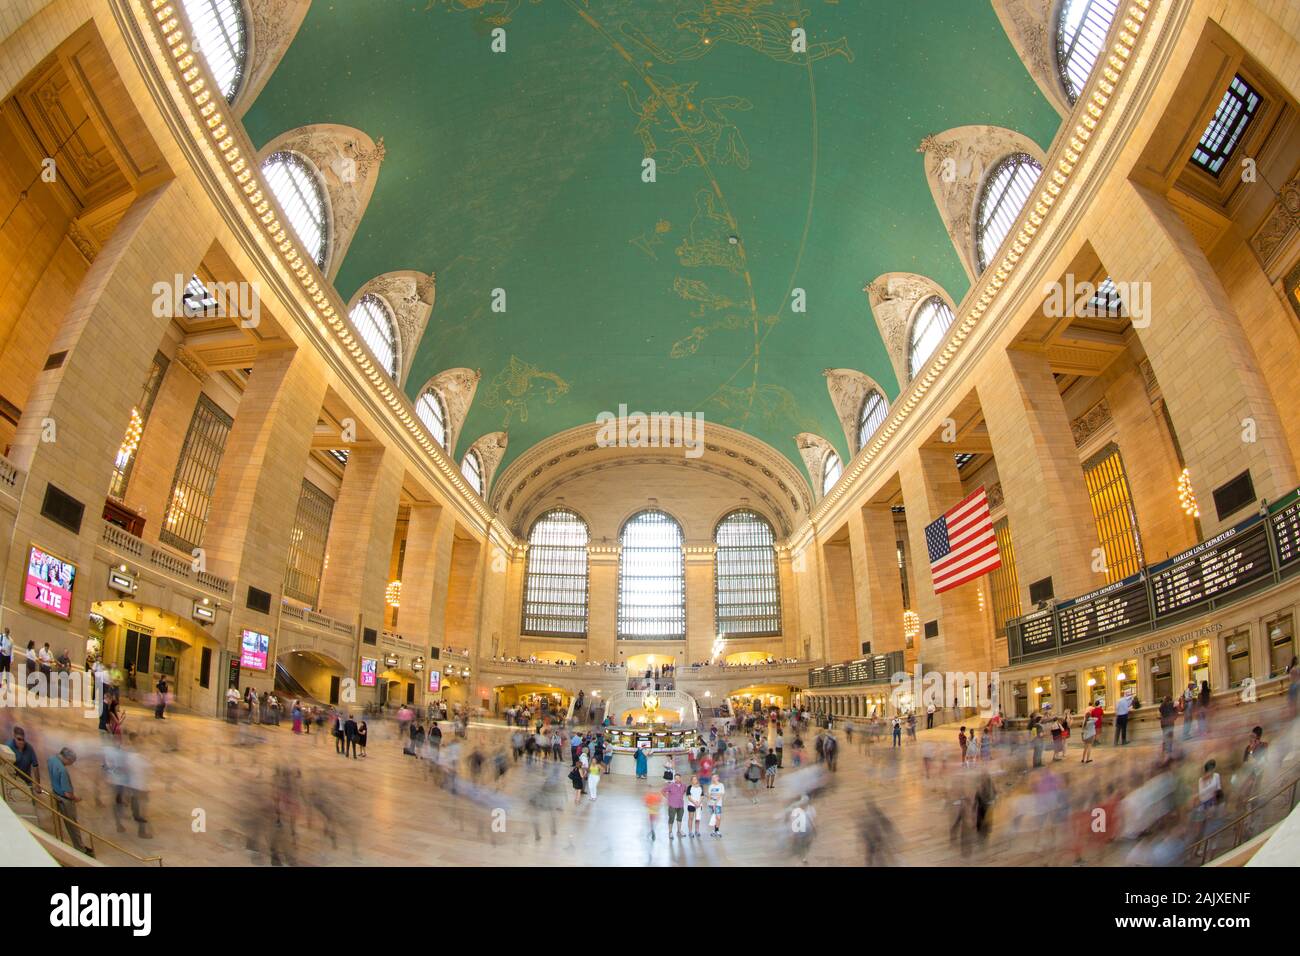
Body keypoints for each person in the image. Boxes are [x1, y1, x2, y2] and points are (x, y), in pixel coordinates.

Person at [47, 747, 91, 856]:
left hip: (55, 793)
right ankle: (80, 849)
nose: (70, 764)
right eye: (71, 762)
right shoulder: (62, 770)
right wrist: (77, 798)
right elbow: (68, 794)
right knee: (72, 825)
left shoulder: (51, 759)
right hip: (65, 800)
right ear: (67, 758)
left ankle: (78, 845)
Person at [7, 726, 40, 791]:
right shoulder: (8, 746)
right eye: (19, 739)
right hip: (13, 781)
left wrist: (38, 785)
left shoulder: (29, 748)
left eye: (23, 739)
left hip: (26, 781)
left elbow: (35, 766)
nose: (21, 742)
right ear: (14, 737)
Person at [661, 773, 687, 839]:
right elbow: (663, 791)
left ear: (680, 778)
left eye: (678, 778)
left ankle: (679, 831)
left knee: (679, 819)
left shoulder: (684, 785)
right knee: (671, 819)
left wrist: (680, 797)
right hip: (672, 805)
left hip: (680, 805)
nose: (677, 779)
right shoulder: (671, 785)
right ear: (674, 779)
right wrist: (667, 798)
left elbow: (684, 792)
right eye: (676, 778)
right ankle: (670, 832)